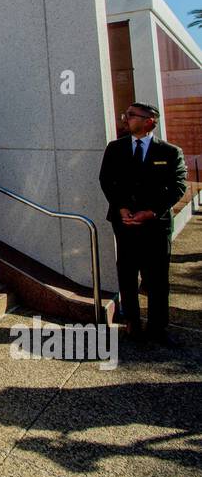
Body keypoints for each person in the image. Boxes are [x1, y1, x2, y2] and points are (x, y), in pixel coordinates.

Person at [99, 103, 187, 345]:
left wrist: (151, 211)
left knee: (157, 277)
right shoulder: (115, 149)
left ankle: (158, 327)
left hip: (155, 226)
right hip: (124, 222)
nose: (125, 118)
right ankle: (132, 324)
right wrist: (122, 207)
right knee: (127, 274)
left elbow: (178, 186)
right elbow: (107, 180)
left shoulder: (170, 152)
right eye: (126, 114)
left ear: (150, 121)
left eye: (131, 115)